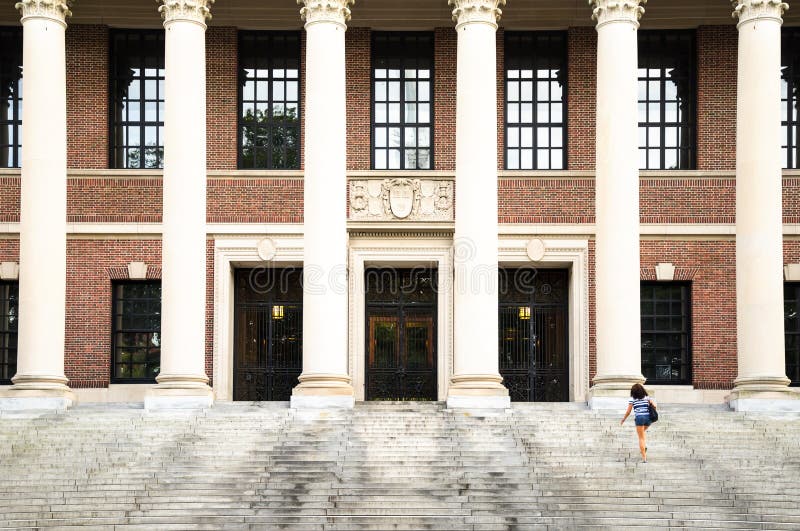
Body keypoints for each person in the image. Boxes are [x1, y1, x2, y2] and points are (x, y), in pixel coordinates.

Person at [620, 383, 656, 463]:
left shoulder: (632, 399)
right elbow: (654, 406)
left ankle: (644, 458)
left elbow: (628, 411)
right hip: (648, 418)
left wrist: (623, 419)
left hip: (639, 418)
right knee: (642, 434)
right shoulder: (647, 397)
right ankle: (644, 447)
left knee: (641, 438)